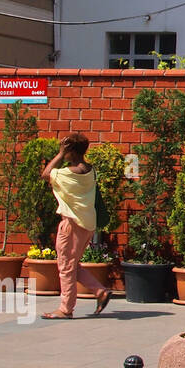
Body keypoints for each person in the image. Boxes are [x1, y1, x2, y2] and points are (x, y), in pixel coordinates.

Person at [40, 132, 111, 319]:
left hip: (71, 224)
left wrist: (59, 155)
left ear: (70, 150)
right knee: (72, 264)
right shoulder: (90, 170)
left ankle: (66, 309)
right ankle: (100, 291)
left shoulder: (67, 174)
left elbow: (46, 174)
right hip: (88, 223)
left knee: (65, 266)